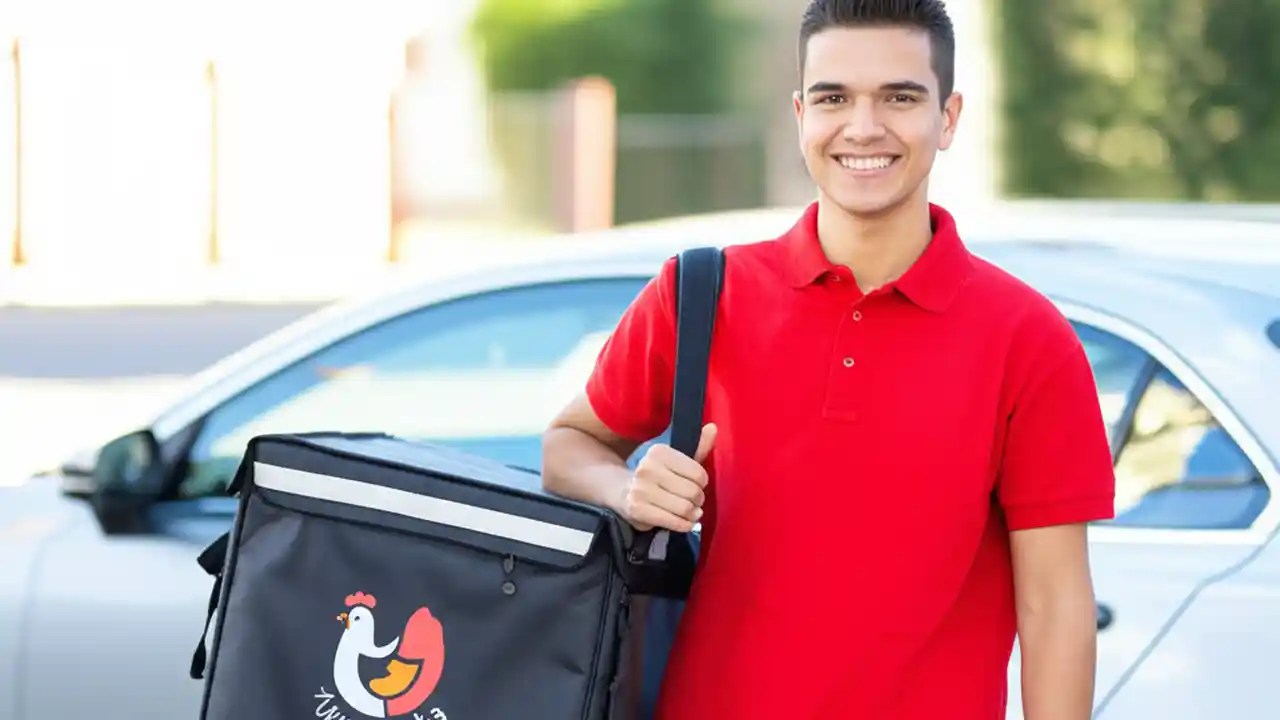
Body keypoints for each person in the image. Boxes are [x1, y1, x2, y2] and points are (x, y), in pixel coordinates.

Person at [541, 1, 1116, 718]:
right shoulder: (701, 294)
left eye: (900, 97)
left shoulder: (1028, 338)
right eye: (833, 97)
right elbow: (569, 447)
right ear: (800, 115)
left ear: (949, 117)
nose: (864, 126)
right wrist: (625, 489)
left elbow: (1055, 604)